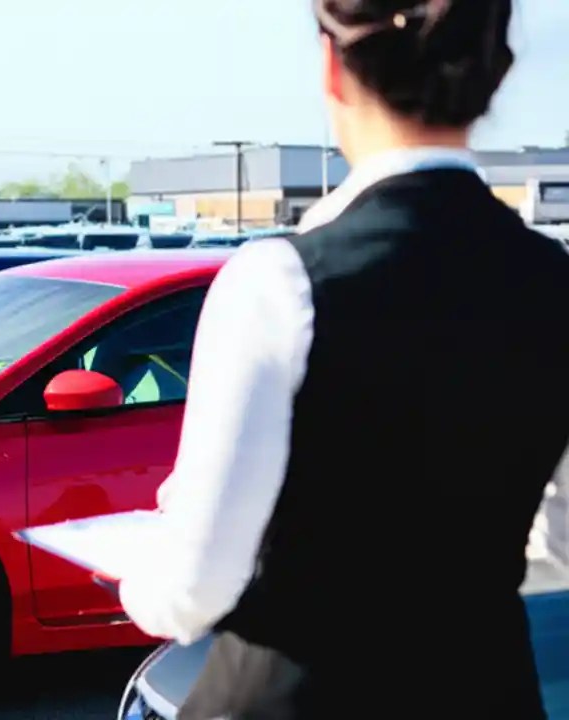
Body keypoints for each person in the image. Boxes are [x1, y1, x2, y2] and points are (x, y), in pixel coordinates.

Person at [113, 0, 569, 717]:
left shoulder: (279, 282)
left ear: (331, 66)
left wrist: (143, 565)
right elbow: (563, 544)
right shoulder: (554, 282)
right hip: (486, 689)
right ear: (494, 73)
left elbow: (191, 591)